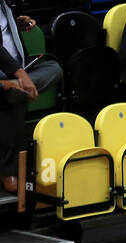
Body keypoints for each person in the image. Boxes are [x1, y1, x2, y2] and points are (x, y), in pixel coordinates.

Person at [1, 1, 60, 193]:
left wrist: (17, 24)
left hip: (15, 75)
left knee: (54, 68)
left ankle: (12, 88)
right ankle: (9, 172)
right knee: (15, 99)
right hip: (11, 72)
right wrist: (20, 73)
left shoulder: (5, 5)